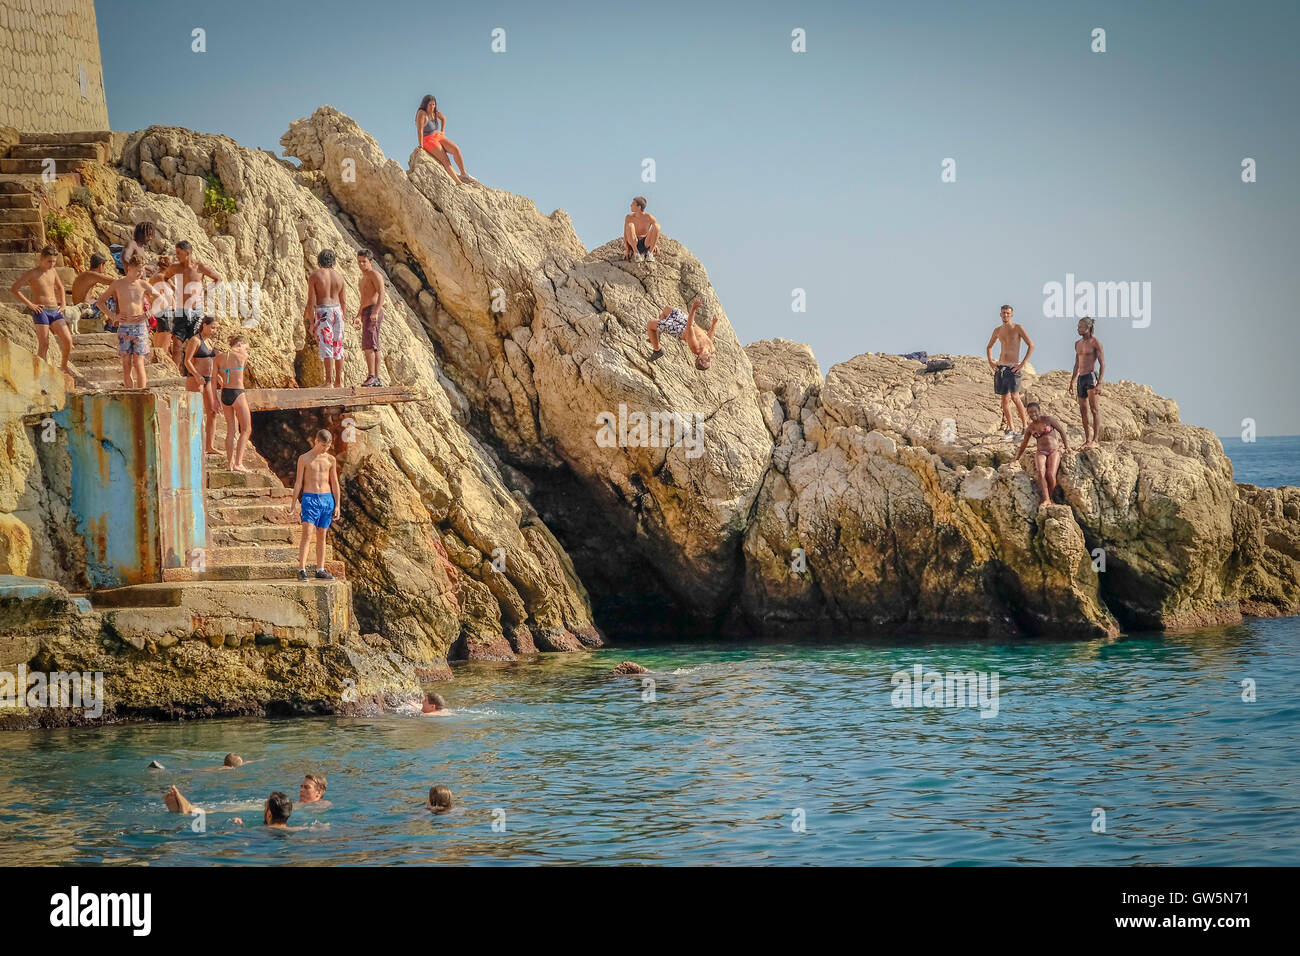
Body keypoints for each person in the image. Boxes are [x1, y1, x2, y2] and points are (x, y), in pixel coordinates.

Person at [9, 246, 72, 373]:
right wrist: (31, 305)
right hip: (41, 311)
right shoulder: (32, 273)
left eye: (54, 261)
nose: (52, 264)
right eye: (49, 261)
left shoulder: (53, 271)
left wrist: (63, 303)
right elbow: (15, 288)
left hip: (55, 310)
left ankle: (64, 366)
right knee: (44, 344)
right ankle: (41, 372)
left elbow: (60, 288)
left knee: (68, 340)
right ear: (41, 258)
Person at [157, 241, 222, 364]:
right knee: (176, 343)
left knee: (196, 343)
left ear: (187, 253)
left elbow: (218, 279)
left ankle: (192, 373)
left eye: (178, 253)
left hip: (197, 310)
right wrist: (173, 289)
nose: (176, 256)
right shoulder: (175, 268)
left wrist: (206, 290)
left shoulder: (200, 267)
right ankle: (175, 372)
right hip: (181, 309)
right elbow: (164, 278)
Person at [96, 254, 154, 388]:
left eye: (142, 270)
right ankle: (130, 392)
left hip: (139, 327)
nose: (141, 273)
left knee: (138, 362)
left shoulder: (143, 284)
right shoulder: (118, 283)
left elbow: (164, 300)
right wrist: (113, 316)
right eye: (138, 270)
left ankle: (142, 393)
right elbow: (100, 302)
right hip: (124, 327)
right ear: (129, 268)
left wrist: (149, 314)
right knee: (126, 364)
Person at [292, 429, 341, 581]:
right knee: (307, 534)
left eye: (327, 446)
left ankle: (320, 569)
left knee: (322, 535)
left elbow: (334, 483)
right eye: (322, 445)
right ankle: (301, 569)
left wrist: (337, 504)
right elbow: (299, 482)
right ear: (316, 441)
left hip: (327, 500)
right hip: (310, 498)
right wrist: (294, 503)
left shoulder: (330, 460)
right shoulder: (304, 458)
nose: (324, 448)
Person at [985, 304, 1034, 440]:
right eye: (1003, 313)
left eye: (1008, 313)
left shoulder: (1018, 328)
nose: (1005, 315)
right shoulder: (997, 330)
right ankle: (1011, 429)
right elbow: (989, 346)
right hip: (1001, 368)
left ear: (1011, 315)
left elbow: (1031, 345)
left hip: (1013, 367)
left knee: (1015, 397)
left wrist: (1022, 364)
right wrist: (991, 362)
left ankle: (1025, 428)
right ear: (1000, 315)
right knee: (1004, 399)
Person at [1015, 402, 1070, 506]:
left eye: (1035, 411)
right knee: (1041, 472)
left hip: (1054, 450)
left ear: (1039, 411)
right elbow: (1024, 444)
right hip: (1041, 451)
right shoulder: (1030, 428)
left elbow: (1061, 431)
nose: (1033, 414)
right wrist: (1016, 458)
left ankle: (1051, 497)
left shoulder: (1049, 420)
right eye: (1030, 412)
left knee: (1050, 474)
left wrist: (1067, 447)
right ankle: (1046, 499)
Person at [305, 249, 346, 388]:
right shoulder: (339, 277)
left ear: (319, 260)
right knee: (338, 345)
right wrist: (342, 316)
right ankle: (338, 382)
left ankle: (328, 382)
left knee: (326, 344)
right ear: (333, 261)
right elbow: (343, 301)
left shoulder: (315, 276)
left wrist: (312, 323)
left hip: (324, 311)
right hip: (337, 311)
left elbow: (311, 302)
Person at [647, 297, 718, 370]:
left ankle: (657, 351)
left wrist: (694, 308)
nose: (709, 359)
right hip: (688, 323)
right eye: (709, 361)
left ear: (699, 357)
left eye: (706, 360)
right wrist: (714, 324)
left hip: (678, 329)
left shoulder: (696, 347)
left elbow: (689, 326)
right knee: (667, 309)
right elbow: (709, 339)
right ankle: (657, 335)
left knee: (650, 324)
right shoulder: (711, 349)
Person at [184, 315, 221, 454]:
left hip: (209, 380)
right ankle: (193, 444)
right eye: (212, 327)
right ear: (204, 325)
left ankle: (209, 446)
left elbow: (213, 362)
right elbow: (187, 361)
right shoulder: (195, 340)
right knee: (195, 411)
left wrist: (218, 377)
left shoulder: (210, 342)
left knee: (212, 412)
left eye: (216, 328)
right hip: (196, 379)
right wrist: (196, 375)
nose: (214, 330)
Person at [416, 94, 472, 185]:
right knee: (445, 160)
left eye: (433, 104)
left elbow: (443, 118)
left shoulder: (435, 112)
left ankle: (463, 174)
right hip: (428, 140)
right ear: (425, 104)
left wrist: (442, 131)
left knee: (456, 149)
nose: (432, 107)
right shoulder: (422, 114)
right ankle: (458, 182)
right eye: (430, 105)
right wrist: (421, 145)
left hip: (437, 135)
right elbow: (420, 130)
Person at [1068, 316, 1105, 450]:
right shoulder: (1077, 344)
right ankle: (1087, 439)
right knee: (1083, 410)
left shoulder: (1095, 343)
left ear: (1088, 327)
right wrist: (1072, 381)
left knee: (1094, 409)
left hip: (1091, 377)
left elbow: (1102, 363)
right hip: (1081, 378)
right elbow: (1076, 363)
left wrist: (1100, 382)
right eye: (1078, 326)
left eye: (1081, 326)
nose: (1078, 328)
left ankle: (1095, 440)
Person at [218, 335, 252, 472]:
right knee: (246, 429)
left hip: (225, 393)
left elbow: (215, 377)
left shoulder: (219, 356)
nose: (246, 350)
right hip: (238, 392)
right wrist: (243, 350)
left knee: (231, 429)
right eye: (246, 347)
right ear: (240, 344)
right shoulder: (243, 355)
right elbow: (242, 366)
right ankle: (238, 463)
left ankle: (229, 464)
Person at [356, 249, 385, 387]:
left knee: (370, 345)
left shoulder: (375, 274)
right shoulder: (363, 279)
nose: (361, 264)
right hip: (366, 311)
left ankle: (372, 376)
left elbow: (382, 294)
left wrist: (376, 311)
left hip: (373, 310)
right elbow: (363, 300)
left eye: (364, 262)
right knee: (372, 345)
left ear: (370, 262)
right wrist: (358, 315)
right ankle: (376, 378)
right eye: (359, 261)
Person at [70, 253, 114, 327]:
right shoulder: (92, 275)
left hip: (82, 310)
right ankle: (111, 326)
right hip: (86, 313)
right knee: (113, 298)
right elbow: (114, 282)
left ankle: (111, 324)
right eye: (104, 265)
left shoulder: (86, 275)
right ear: (101, 265)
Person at [622, 197, 660, 263]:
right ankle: (637, 254)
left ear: (639, 207)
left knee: (657, 226)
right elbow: (626, 234)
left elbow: (656, 231)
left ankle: (649, 254)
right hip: (634, 243)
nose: (631, 205)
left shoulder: (649, 217)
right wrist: (627, 249)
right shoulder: (629, 217)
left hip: (646, 243)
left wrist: (654, 245)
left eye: (633, 204)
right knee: (630, 225)